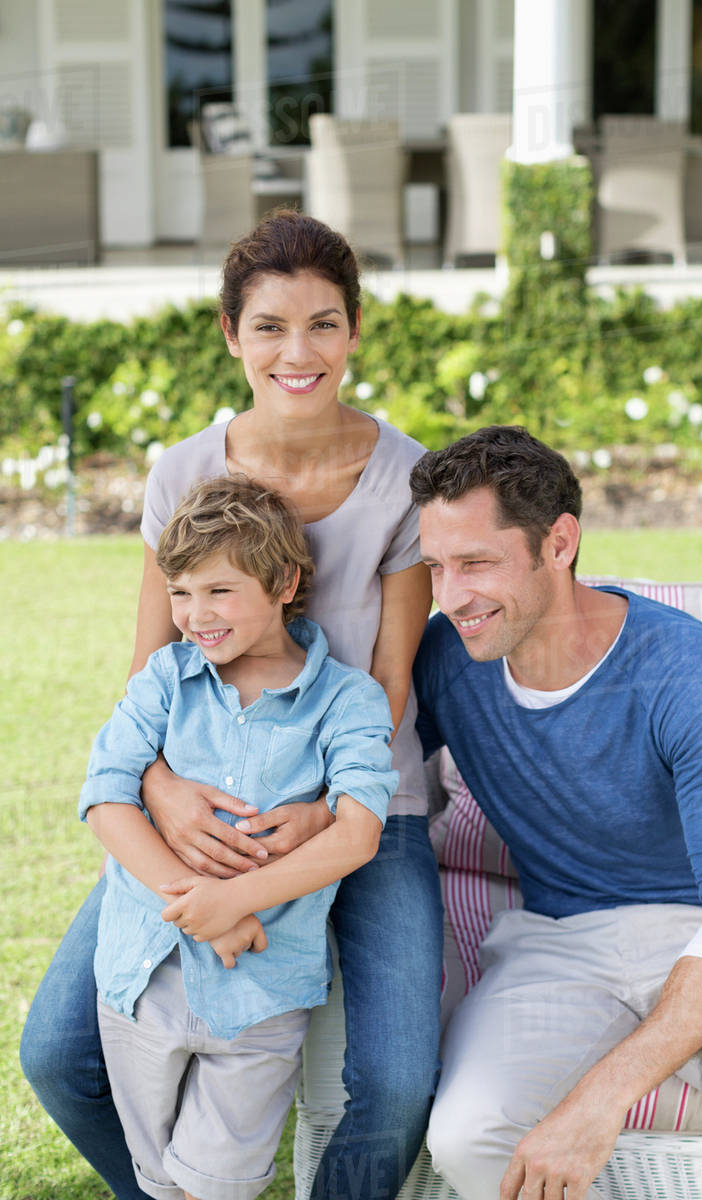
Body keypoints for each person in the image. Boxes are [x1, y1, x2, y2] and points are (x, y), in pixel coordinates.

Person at [20, 209, 443, 1200]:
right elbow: (150, 663)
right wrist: (164, 793)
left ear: (354, 329)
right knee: (57, 1054)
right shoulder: (183, 473)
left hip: (361, 801)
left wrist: (321, 815)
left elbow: (388, 683)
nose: (299, 353)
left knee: (394, 1085)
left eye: (324, 324)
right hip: (202, 799)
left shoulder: (405, 478)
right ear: (230, 335)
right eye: (269, 327)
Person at [408, 425, 702, 1200]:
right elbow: (357, 754)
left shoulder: (686, 668)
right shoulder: (450, 658)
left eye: (476, 563)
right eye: (435, 567)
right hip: (555, 942)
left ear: (558, 543)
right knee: (467, 1135)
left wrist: (600, 1097)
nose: (451, 596)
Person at [83, 475, 398, 1200]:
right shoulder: (166, 679)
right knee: (161, 1183)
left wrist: (237, 903)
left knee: (216, 1186)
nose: (196, 615)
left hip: (263, 991)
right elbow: (105, 796)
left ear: (284, 583)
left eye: (219, 591)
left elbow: (357, 834)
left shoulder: (347, 700)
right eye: (180, 592)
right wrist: (203, 903)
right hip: (142, 978)